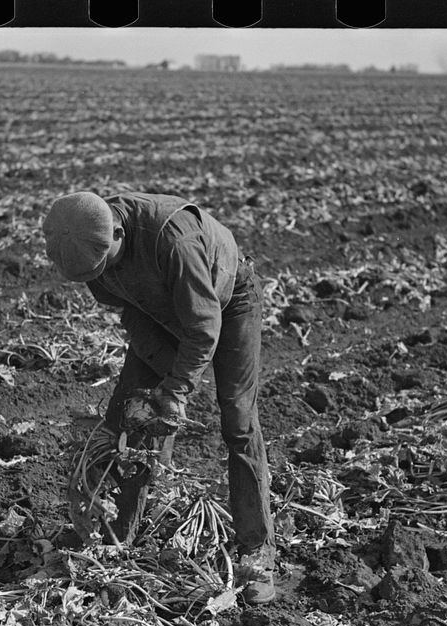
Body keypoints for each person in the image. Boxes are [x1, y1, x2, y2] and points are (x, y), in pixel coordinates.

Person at [42, 191, 277, 604]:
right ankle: (118, 536)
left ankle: (257, 551)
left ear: (119, 231)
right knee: (132, 415)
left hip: (227, 302)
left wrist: (176, 390)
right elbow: (130, 309)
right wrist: (153, 399)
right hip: (158, 313)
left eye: (103, 266)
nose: (99, 277)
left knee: (238, 420)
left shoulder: (172, 238)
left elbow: (204, 328)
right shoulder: (88, 246)